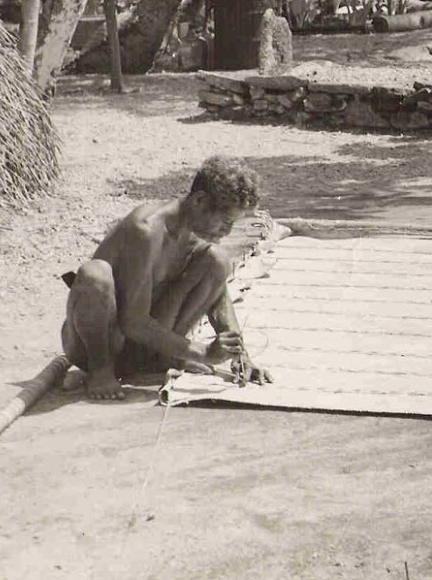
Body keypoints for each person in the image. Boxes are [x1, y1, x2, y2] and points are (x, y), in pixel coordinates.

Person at [60, 156, 273, 400]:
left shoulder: (192, 233)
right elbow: (132, 321)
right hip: (102, 345)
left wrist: (241, 355)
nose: (228, 231)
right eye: (226, 221)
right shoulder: (146, 230)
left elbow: (218, 291)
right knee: (94, 274)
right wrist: (202, 352)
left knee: (218, 261)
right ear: (200, 201)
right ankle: (101, 370)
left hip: (144, 348)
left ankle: (166, 358)